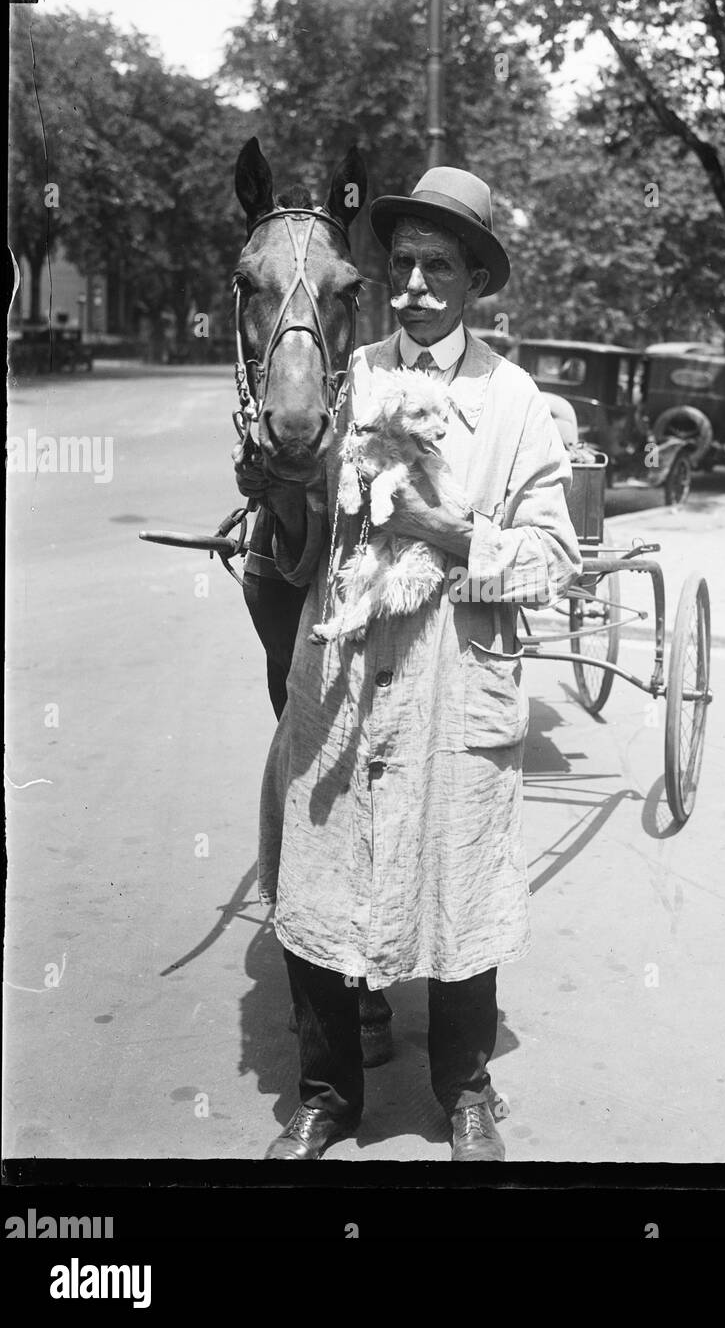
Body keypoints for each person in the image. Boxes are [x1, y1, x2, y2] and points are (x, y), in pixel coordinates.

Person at [245, 166, 582, 1160]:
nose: (416, 286)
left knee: (458, 877)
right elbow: (308, 558)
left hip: (453, 676)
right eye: (401, 266)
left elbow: (552, 562)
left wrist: (443, 531)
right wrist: (287, 499)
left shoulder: (514, 401)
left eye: (439, 266)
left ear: (475, 281)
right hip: (342, 679)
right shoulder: (335, 384)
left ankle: (463, 1090)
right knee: (320, 877)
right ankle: (326, 1094)